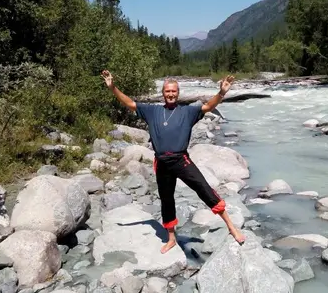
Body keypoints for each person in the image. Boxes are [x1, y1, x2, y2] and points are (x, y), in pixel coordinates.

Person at [101, 70, 245, 253]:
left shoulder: (188, 111)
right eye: (167, 91)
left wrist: (222, 92)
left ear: (178, 93)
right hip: (162, 163)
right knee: (166, 200)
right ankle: (171, 239)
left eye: (174, 91)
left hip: (181, 160)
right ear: (163, 93)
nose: (170, 94)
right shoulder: (153, 111)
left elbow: (209, 106)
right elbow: (130, 103)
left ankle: (231, 227)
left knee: (204, 189)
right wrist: (113, 87)